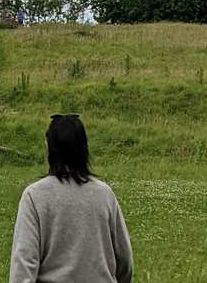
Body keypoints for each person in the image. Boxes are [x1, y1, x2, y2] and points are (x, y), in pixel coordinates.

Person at [9, 114, 133, 283]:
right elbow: (125, 261)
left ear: (49, 148)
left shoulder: (34, 196)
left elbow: (23, 266)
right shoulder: (105, 195)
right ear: (84, 148)